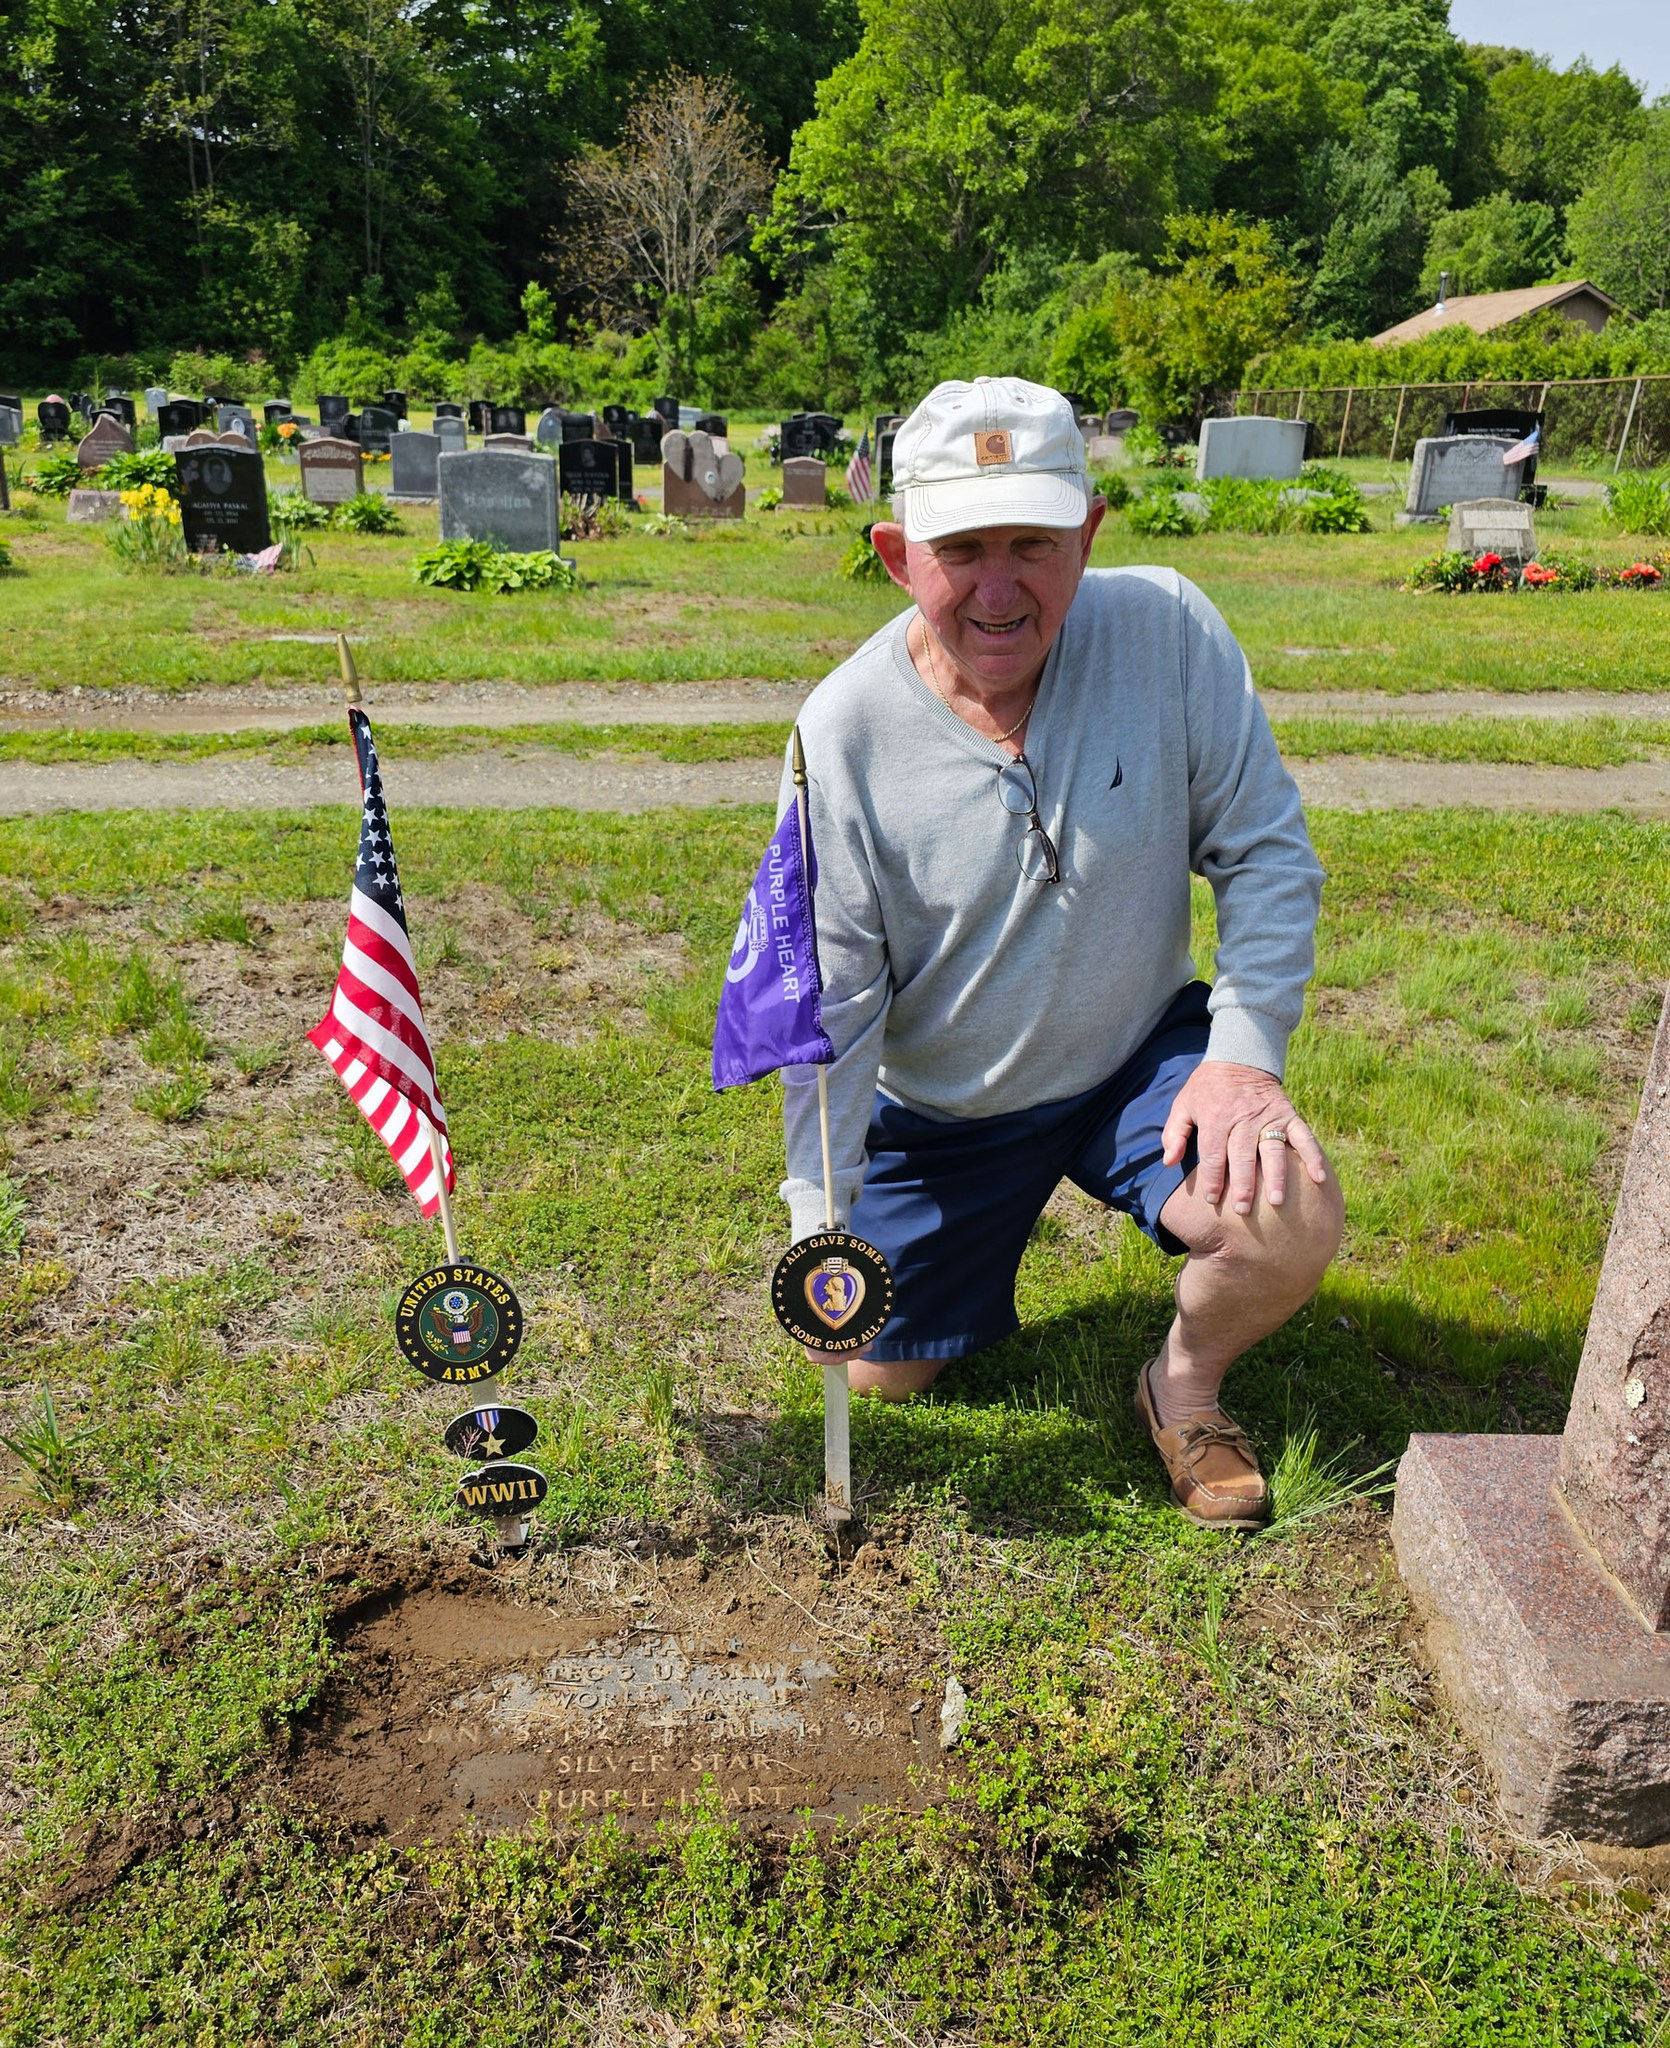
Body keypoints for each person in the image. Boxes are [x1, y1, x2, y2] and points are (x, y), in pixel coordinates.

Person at [777, 378, 1344, 1530]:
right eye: (960, 549)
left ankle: (1180, 1383)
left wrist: (1242, 1055)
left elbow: (1267, 855)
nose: (998, 588)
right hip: (945, 1115)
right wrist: (816, 1219)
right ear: (896, 554)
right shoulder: (838, 735)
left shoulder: (1170, 631)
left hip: (1138, 1060)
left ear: (1086, 535)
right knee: (880, 1373)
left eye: (1032, 543)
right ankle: (966, 1257)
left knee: (1287, 1214)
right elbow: (825, 1008)